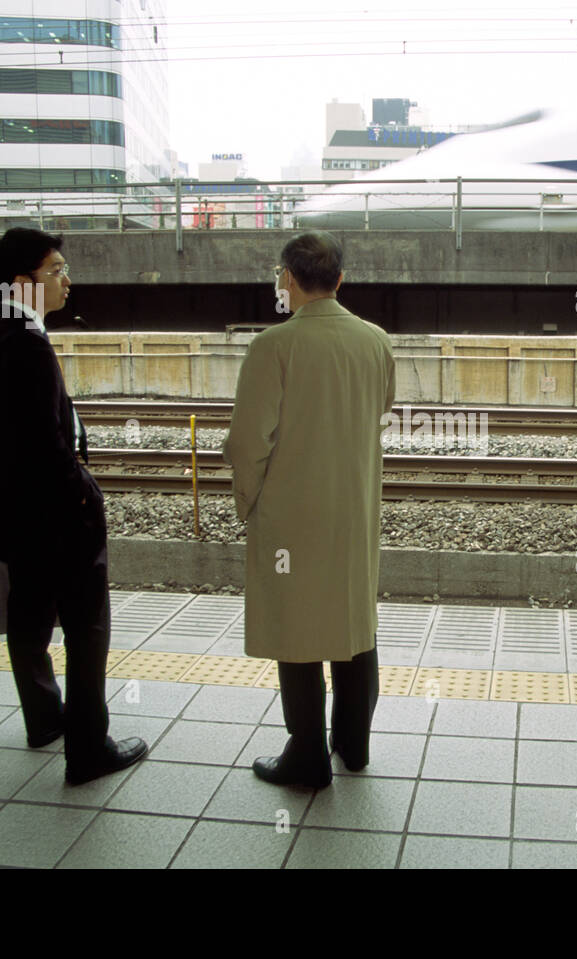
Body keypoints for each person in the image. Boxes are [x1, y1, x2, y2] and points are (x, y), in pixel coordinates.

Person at [0, 227, 147, 786]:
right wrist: (86, 496)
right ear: (23, 282)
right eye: (57, 270)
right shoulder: (28, 344)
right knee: (87, 627)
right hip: (57, 520)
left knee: (29, 619)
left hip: (9, 515)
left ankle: (45, 719)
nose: (68, 279)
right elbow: (47, 448)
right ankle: (89, 747)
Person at [224, 231, 395, 788]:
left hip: (291, 514)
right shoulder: (375, 341)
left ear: (288, 280)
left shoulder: (273, 346)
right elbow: (382, 405)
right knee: (352, 622)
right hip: (353, 508)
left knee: (297, 631)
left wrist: (247, 501)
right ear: (340, 280)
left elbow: (249, 441)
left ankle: (307, 755)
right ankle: (355, 743)